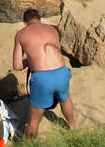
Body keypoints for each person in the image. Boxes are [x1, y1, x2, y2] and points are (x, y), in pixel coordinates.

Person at [12, 9, 74, 139]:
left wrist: (29, 61)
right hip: (62, 71)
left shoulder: (21, 34)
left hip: (43, 78)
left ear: (25, 23)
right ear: (40, 19)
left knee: (33, 121)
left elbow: (17, 66)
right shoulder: (52, 29)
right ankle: (73, 127)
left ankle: (29, 146)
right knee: (65, 98)